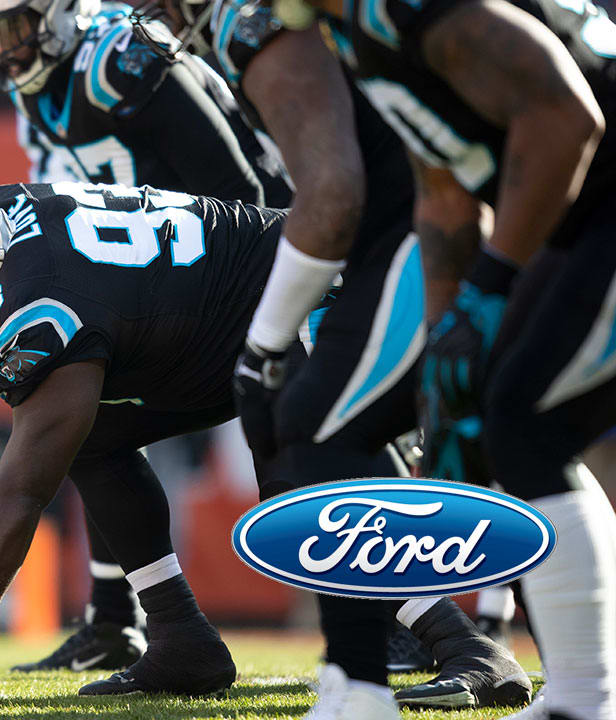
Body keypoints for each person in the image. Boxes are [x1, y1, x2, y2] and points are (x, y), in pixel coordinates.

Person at [242, 0, 616, 716]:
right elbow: (444, 195)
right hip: (580, 219)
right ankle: (581, 691)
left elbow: (569, 118)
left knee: (526, 424)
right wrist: (451, 346)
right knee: (520, 421)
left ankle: (584, 698)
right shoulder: (351, 27)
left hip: (595, 208)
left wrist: (492, 286)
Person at [157, 0, 531, 714]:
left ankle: (364, 681)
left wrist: (264, 341)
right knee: (533, 446)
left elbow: (332, 190)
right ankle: (569, 677)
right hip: (457, 217)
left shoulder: (253, 21)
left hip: (431, 228)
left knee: (315, 430)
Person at [0, 179, 297, 708]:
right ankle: (179, 633)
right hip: (229, 316)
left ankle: (434, 633)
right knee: (93, 436)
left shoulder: (31, 305)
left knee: (299, 500)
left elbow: (23, 491)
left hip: (301, 289)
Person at [0, 0, 292, 672]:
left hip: (242, 271)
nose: (6, 49)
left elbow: (240, 188)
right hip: (156, 290)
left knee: (301, 449)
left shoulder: (122, 59)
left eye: (15, 28)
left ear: (57, 15)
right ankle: (119, 618)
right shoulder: (42, 93)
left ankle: (404, 617)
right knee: (88, 419)